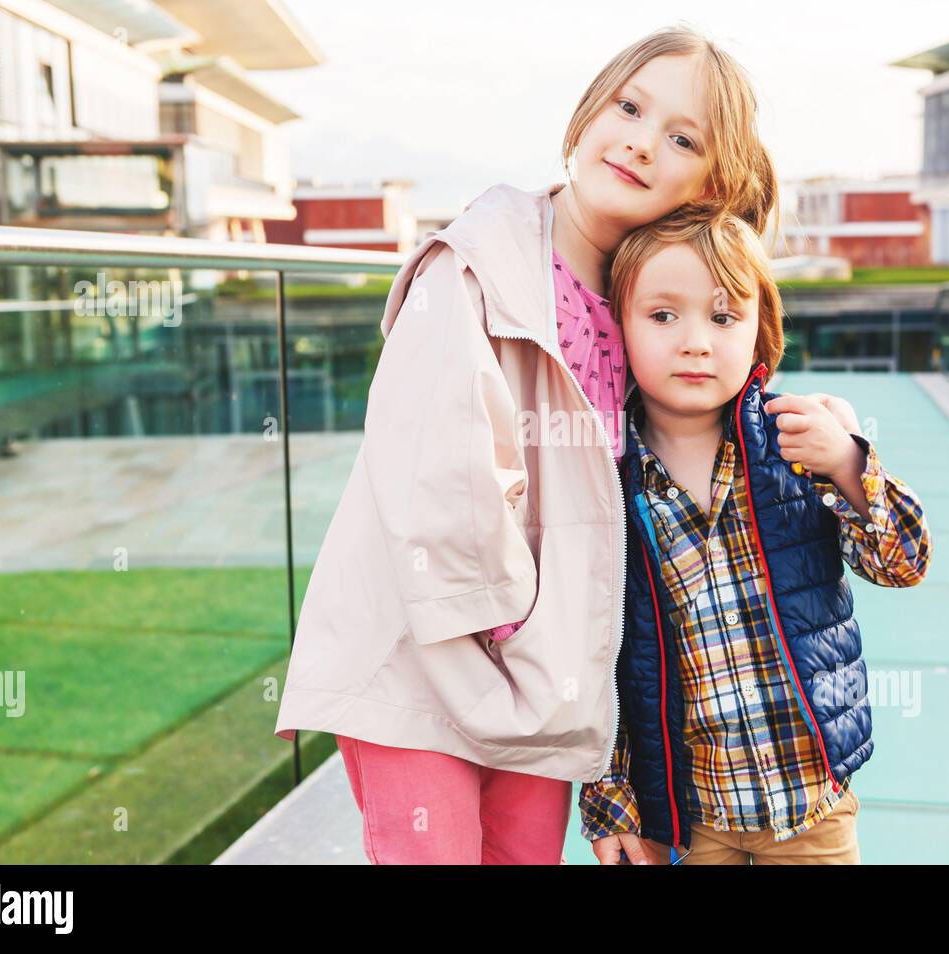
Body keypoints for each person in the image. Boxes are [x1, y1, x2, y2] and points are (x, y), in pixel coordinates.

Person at [274, 25, 782, 865]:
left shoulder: (647, 305)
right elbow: (434, 471)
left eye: (681, 138)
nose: (640, 141)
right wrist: (518, 621)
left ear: (710, 183)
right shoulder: (474, 265)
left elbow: (698, 435)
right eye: (629, 106)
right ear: (588, 112)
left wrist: (822, 436)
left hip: (541, 681)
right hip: (423, 660)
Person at [581, 209, 933, 864]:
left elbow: (905, 561)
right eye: (663, 316)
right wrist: (610, 798)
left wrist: (850, 464)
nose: (695, 342)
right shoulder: (606, 481)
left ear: (759, 333)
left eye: (723, 317)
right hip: (694, 815)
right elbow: (599, 658)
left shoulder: (797, 444)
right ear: (616, 328)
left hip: (812, 807)